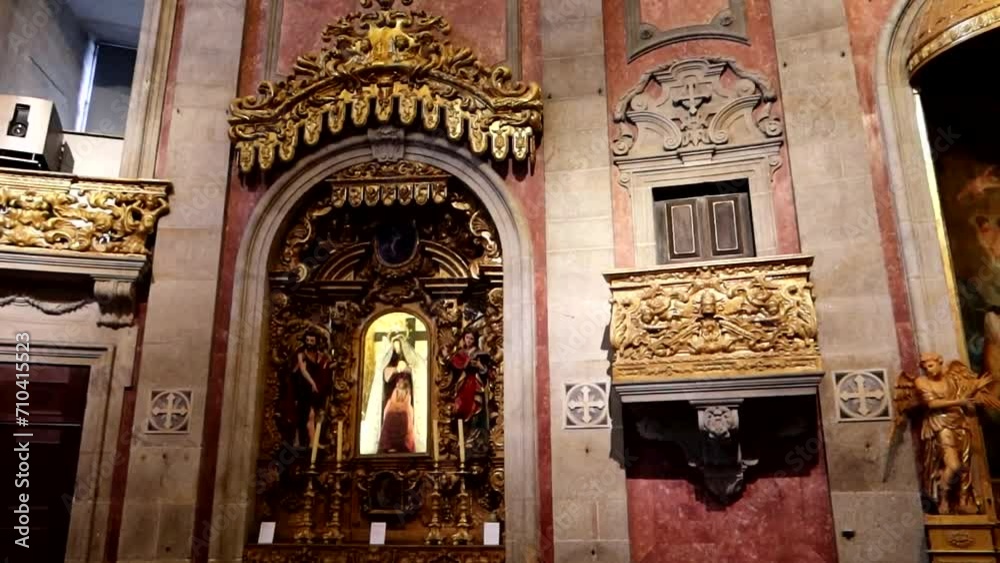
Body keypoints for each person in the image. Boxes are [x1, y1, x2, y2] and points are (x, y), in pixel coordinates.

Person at [285, 330, 333, 448]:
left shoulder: (319, 355)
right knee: (309, 414)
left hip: (314, 390)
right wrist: (312, 383)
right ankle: (311, 441)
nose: (309, 343)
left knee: (314, 414)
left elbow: (324, 365)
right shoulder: (301, 354)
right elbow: (303, 370)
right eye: (307, 341)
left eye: (312, 341)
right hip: (303, 388)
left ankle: (312, 440)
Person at [378, 360, 416, 453]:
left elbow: (416, 371)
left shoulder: (408, 405)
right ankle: (390, 444)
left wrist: (405, 368)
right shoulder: (391, 402)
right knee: (391, 413)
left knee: (406, 415)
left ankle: (403, 445)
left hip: (405, 396)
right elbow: (386, 374)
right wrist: (397, 370)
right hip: (396, 396)